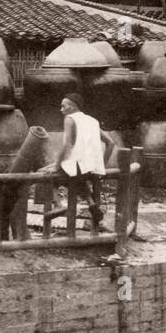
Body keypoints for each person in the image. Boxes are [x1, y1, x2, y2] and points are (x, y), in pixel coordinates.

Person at [40, 95, 113, 233]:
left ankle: (58, 205)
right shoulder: (92, 120)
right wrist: (100, 166)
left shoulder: (70, 119)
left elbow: (67, 145)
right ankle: (91, 204)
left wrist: (56, 167)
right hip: (88, 170)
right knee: (78, 177)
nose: (61, 110)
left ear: (73, 107)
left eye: (64, 106)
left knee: (45, 175)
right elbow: (111, 143)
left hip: (76, 167)